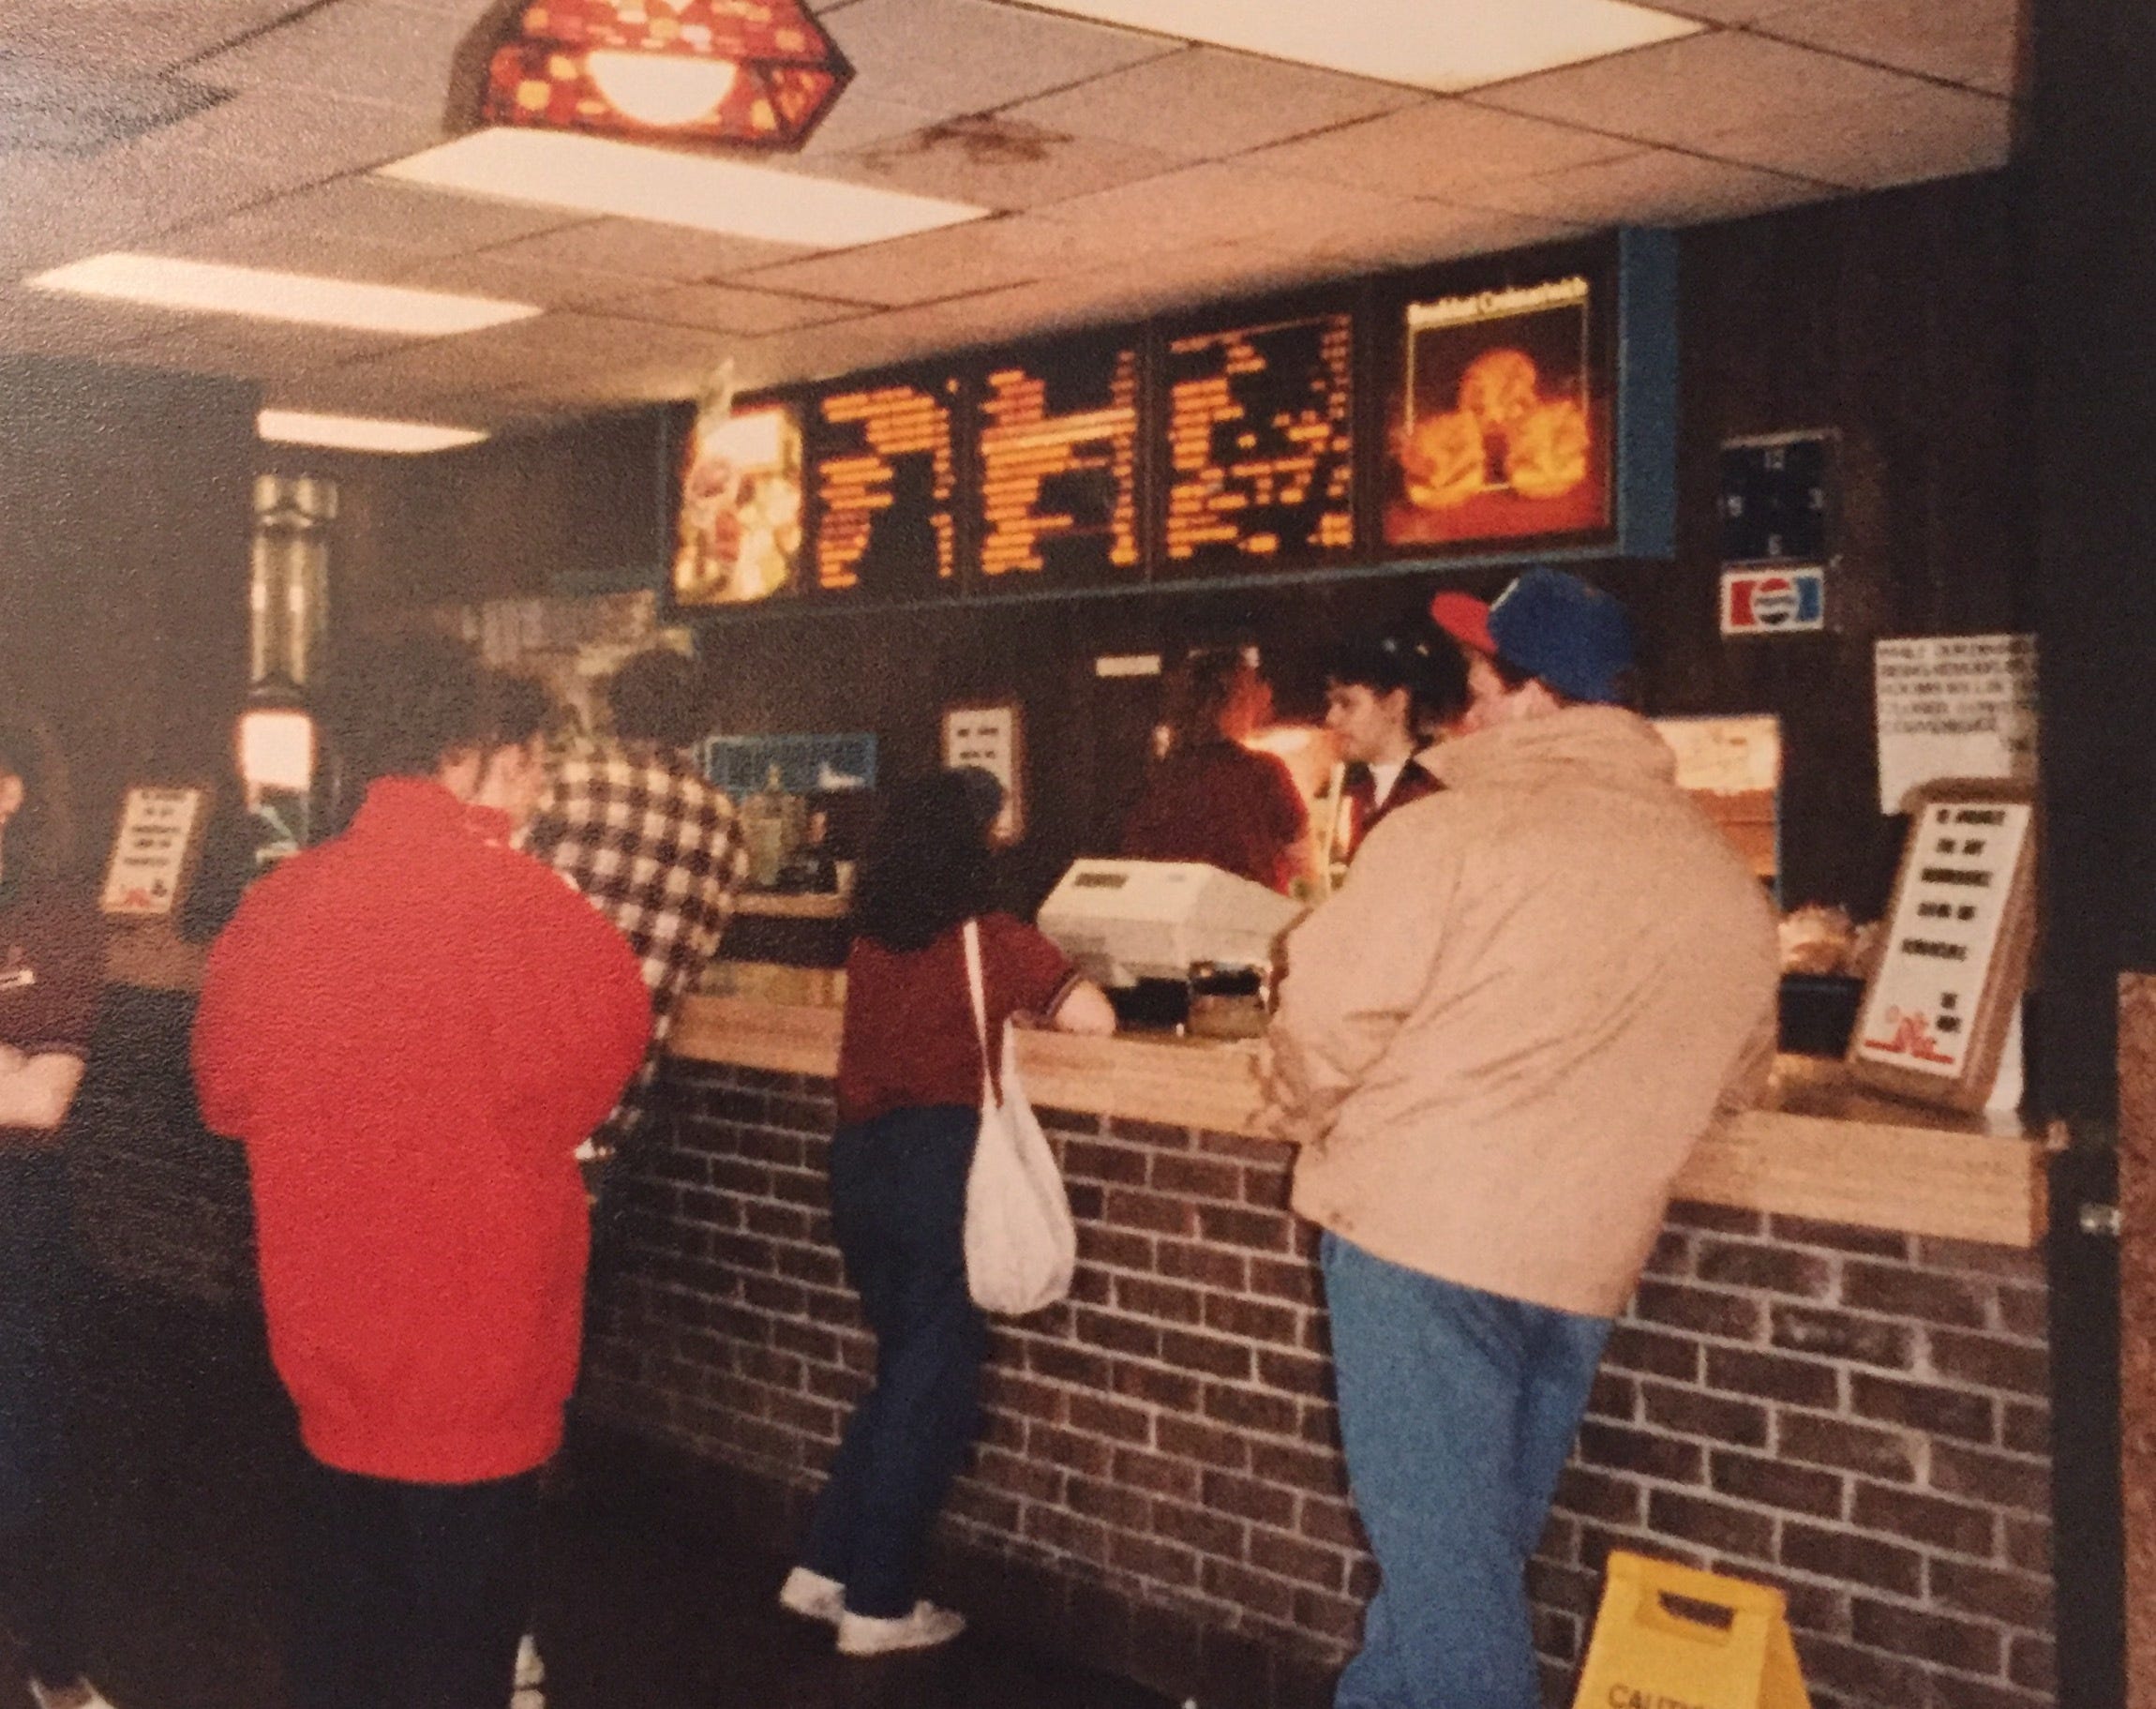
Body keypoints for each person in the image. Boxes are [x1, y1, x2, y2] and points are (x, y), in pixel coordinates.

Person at [1265, 568, 1779, 1709]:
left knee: (1452, 1594)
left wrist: (1305, 1115)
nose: (1461, 708)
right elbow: (1740, 1079)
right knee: (1461, 1562)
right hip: (1581, 1269)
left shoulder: (1450, 830)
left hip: (1418, 1247)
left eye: (1479, 682)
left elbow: (1323, 1017)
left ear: (1540, 698)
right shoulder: (1721, 880)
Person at [191, 641, 651, 1709]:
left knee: (340, 1624)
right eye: (530, 759)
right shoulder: (541, 916)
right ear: (469, 752)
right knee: (461, 1637)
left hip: (329, 1336)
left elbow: (225, 1095)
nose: (538, 782)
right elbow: (582, 1087)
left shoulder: (276, 908)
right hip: (482, 1345)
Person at [779, 769, 1115, 1657]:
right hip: (940, 1163)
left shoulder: (869, 942)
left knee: (903, 1369)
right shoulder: (995, 939)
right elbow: (1096, 1020)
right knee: (933, 1384)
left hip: (859, 1164)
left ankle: (822, 1567)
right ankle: (879, 1606)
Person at [520, 649, 743, 1181]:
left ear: (615, 709)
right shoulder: (726, 826)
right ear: (698, 725)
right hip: (617, 1111)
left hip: (522, 1094)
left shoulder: (563, 784)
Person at [0, 721, 119, 1709]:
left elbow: (40, 1098)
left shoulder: (58, 916)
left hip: (14, 1210)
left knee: (26, 1444)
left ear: (10, 793)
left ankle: (54, 1667)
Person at [1117, 649, 1313, 894]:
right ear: (1237, 700)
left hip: (1172, 912)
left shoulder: (1159, 775)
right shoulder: (1263, 771)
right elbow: (1305, 865)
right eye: (1255, 690)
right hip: (1250, 918)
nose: (1265, 696)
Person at [1320, 623, 1469, 869]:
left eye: (1347, 704)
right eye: (1332, 703)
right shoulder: (1359, 793)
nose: (1331, 718)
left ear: (1395, 704)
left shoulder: (1435, 790)